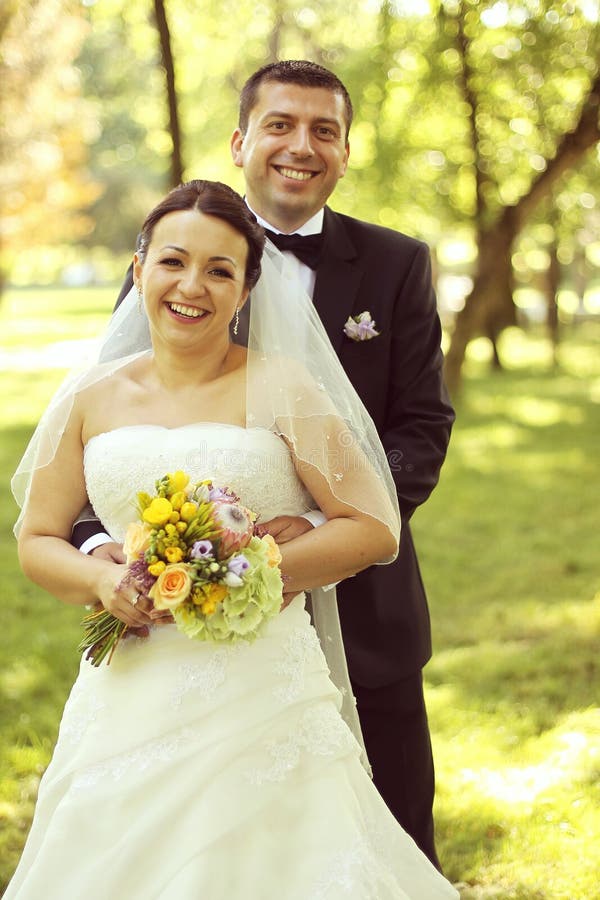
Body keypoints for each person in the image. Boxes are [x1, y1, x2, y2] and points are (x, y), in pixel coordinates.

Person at [7, 180, 458, 898]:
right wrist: (100, 582)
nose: (193, 286)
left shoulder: (285, 386)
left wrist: (256, 566)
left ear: (248, 290)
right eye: (173, 262)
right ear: (139, 270)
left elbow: (372, 524)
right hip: (131, 685)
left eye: (220, 271)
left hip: (263, 688)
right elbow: (36, 538)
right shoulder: (89, 397)